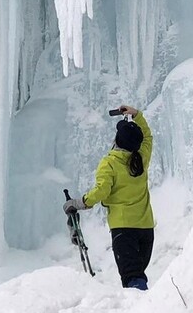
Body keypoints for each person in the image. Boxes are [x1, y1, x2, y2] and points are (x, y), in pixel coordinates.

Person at [64, 104, 154, 290]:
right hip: (146, 228)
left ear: (117, 139)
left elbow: (101, 191)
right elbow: (147, 137)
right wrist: (136, 115)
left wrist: (79, 203)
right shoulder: (142, 158)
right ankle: (145, 310)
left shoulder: (110, 163)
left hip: (124, 229)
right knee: (138, 274)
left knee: (132, 279)